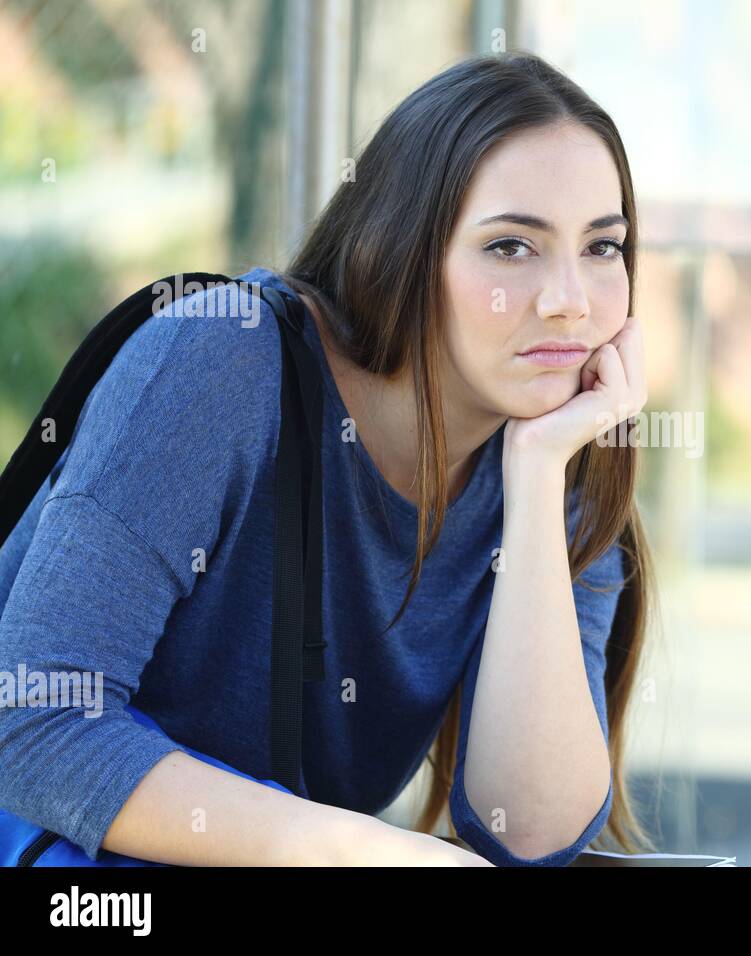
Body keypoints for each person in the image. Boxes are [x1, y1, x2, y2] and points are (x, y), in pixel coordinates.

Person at [0, 51, 655, 867]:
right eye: (512, 248)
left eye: (603, 248)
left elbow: (527, 830)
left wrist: (535, 478)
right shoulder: (221, 361)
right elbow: (31, 719)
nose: (571, 299)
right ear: (404, 249)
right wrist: (338, 845)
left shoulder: (560, 460)